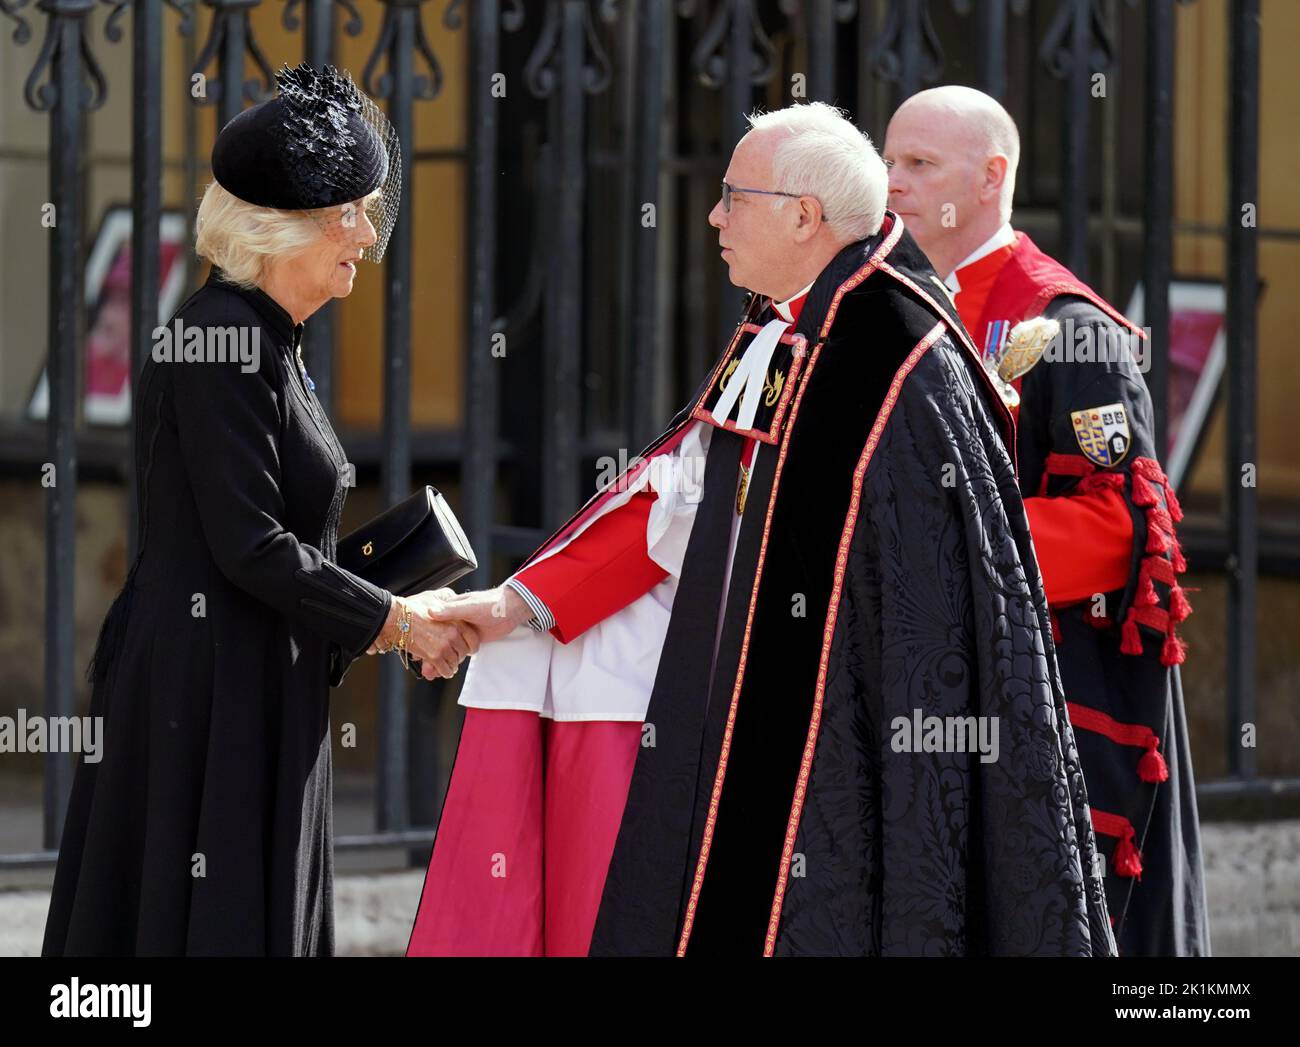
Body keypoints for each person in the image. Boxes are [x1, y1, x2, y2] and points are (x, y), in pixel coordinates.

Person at [406, 102, 1115, 957]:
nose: (713, 217)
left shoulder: (900, 352)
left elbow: (933, 608)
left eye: (733, 197)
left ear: (803, 216)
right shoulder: (778, 324)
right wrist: (518, 605)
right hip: (739, 726)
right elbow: (677, 499)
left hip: (846, 755)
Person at [42, 64, 477, 957]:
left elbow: (277, 538)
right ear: (275, 235)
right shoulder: (218, 338)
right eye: (341, 216)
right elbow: (250, 545)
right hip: (208, 695)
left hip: (256, 680)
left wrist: (391, 598)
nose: (363, 231)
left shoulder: (272, 338)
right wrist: (394, 621)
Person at [883, 84, 1210, 956]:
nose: (892, 185)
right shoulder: (898, 304)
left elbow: (1121, 530)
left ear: (990, 177)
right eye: (888, 162)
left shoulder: (1067, 326)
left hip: (1056, 695)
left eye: (918, 164)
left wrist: (936, 543)